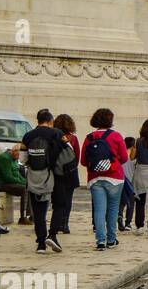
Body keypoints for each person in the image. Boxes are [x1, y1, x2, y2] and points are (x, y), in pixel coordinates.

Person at [82, 109, 129, 251]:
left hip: (95, 178)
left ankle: (100, 240)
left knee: (99, 210)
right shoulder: (116, 136)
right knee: (113, 209)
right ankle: (111, 239)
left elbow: (84, 161)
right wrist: (111, 163)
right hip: (115, 177)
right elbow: (125, 158)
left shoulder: (89, 137)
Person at [22, 108, 66, 254]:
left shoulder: (28, 136)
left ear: (38, 120)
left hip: (35, 176)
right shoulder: (57, 133)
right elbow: (67, 155)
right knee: (59, 206)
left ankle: (41, 244)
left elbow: (22, 160)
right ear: (51, 121)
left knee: (39, 212)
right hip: (56, 176)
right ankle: (52, 235)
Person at [48, 114, 81, 244]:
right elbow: (76, 156)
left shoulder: (53, 137)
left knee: (57, 200)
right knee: (68, 199)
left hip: (56, 172)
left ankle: (56, 222)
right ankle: (65, 223)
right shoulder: (73, 138)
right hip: (70, 172)